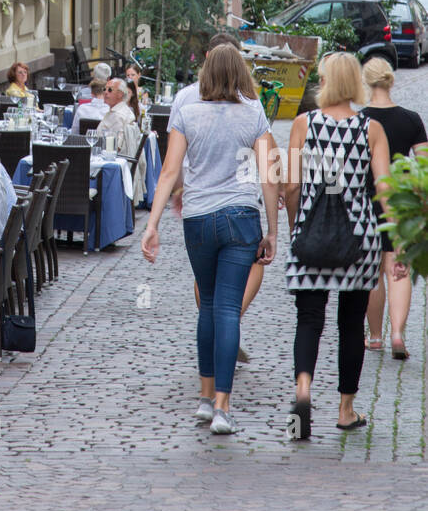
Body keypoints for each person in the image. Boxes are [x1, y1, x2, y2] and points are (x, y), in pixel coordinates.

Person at [141, 44, 280, 436]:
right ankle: (222, 406)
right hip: (240, 217)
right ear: (241, 73)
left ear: (205, 72)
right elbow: (269, 176)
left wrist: (151, 226)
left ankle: (204, 400)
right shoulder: (254, 112)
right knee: (227, 309)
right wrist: (272, 230)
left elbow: (169, 172)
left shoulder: (187, 111)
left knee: (208, 306)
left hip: (198, 219)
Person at [285, 52, 390, 438]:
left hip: (311, 230)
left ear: (325, 80)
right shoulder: (371, 129)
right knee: (351, 323)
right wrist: (394, 241)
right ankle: (346, 409)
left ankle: (303, 389)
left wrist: (297, 225)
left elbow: (292, 185)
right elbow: (384, 190)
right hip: (359, 237)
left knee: (309, 318)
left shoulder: (303, 124)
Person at [172, 30, 268, 361]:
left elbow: (174, 157)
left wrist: (177, 188)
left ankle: (217, 337)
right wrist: (276, 206)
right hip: (241, 202)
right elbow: (268, 162)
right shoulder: (252, 105)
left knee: (207, 284)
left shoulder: (184, 99)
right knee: (248, 272)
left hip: (197, 200)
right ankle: (228, 324)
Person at [360, 56, 425, 359]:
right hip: (399, 202)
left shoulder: (359, 120)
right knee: (399, 267)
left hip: (365, 202)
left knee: (372, 273)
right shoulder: (411, 119)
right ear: (391, 80)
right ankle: (398, 333)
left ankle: (375, 337)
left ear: (366, 81)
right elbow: (424, 162)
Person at [98, 79, 139, 154]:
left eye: (110, 90)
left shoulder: (118, 115)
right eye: (104, 89)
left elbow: (116, 147)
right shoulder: (123, 110)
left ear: (120, 94)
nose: (105, 92)